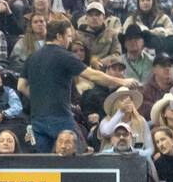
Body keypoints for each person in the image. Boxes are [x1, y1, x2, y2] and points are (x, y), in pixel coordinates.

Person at [19, 18, 140, 152]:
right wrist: (123, 81)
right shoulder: (64, 56)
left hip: (37, 119)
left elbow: (21, 86)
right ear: (59, 36)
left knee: (44, 164)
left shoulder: (32, 57)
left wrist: (41, 98)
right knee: (82, 154)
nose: (70, 40)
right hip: (60, 118)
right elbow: (93, 75)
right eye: (68, 36)